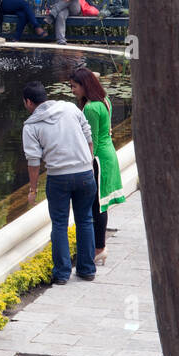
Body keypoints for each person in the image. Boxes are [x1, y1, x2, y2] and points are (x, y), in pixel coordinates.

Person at [22, 81, 97, 283]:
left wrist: (33, 188)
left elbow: (33, 161)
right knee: (85, 220)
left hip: (58, 178)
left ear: (28, 102)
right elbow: (88, 135)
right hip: (84, 174)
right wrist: (88, 163)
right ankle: (87, 270)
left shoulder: (31, 126)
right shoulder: (70, 107)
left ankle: (62, 274)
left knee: (60, 224)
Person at [70, 68, 125, 266]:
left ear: (85, 86)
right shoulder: (105, 99)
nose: (72, 90)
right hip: (108, 153)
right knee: (99, 204)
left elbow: (89, 141)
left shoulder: (91, 108)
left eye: (74, 87)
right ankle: (97, 246)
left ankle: (99, 248)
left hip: (99, 159)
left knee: (97, 205)